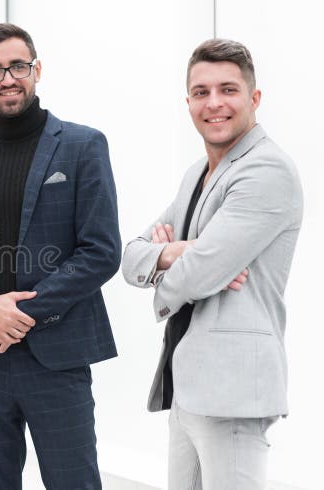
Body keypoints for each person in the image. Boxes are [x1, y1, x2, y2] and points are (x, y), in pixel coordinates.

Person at [0, 23, 120, 490]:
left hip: (56, 356)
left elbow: (101, 251)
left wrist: (15, 315)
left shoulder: (83, 146)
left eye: (18, 66)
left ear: (37, 70)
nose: (8, 78)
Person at [120, 39, 303, 489]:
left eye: (228, 89)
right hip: (186, 383)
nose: (214, 103)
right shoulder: (195, 174)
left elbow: (201, 273)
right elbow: (130, 257)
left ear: (254, 98)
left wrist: (186, 265)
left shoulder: (267, 170)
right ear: (188, 103)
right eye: (201, 92)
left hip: (233, 391)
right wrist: (180, 252)